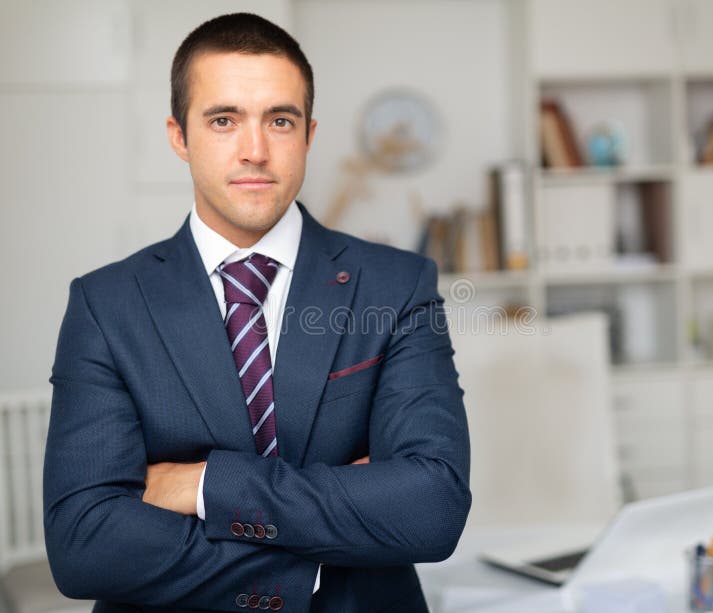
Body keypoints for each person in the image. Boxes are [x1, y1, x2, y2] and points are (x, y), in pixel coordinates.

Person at [43, 12, 471, 613]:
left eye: (280, 120)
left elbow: (432, 508)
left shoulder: (397, 286)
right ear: (179, 136)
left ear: (308, 135)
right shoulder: (105, 305)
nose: (255, 150)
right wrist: (328, 545)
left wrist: (204, 485)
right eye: (224, 120)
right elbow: (84, 545)